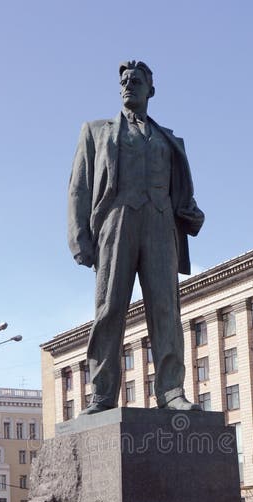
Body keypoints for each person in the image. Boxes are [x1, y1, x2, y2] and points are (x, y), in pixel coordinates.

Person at [68, 60, 205, 414]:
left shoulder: (169, 140)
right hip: (116, 222)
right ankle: (102, 393)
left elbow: (180, 192)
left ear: (151, 90)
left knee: (165, 308)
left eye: (137, 80)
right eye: (124, 81)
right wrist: (79, 236)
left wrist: (191, 211)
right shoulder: (97, 131)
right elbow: (79, 188)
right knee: (110, 308)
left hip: (160, 225)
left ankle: (171, 390)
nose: (129, 85)